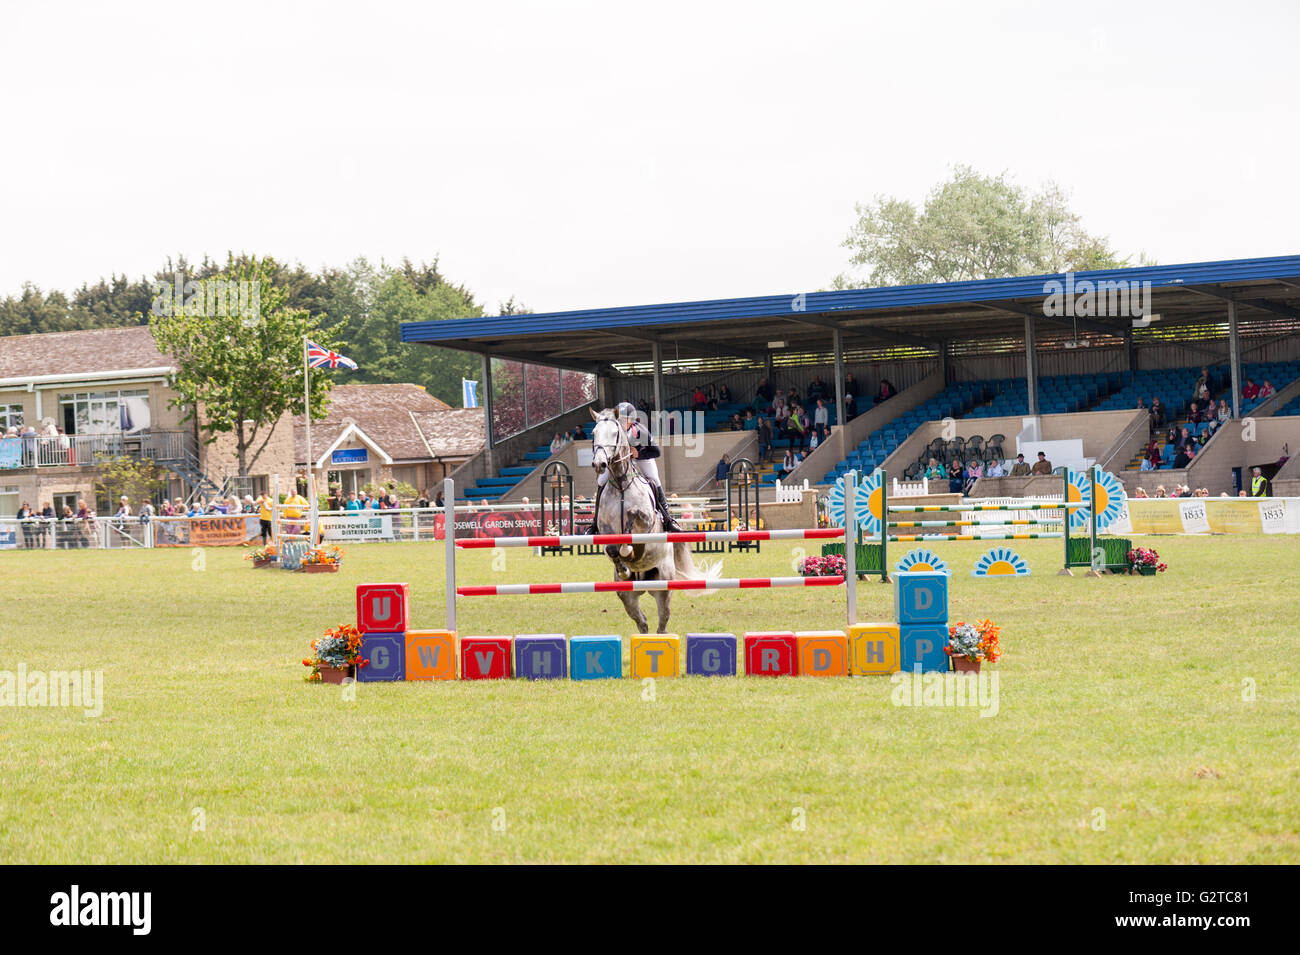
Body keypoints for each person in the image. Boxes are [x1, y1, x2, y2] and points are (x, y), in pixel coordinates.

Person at [586, 402, 680, 534]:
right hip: (620, 461)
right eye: (619, 418)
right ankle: (595, 523)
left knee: (654, 479)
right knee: (601, 481)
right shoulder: (614, 429)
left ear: (631, 420)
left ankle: (668, 520)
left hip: (642, 458)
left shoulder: (640, 431)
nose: (620, 421)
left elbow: (656, 452)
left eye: (623, 419)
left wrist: (639, 453)